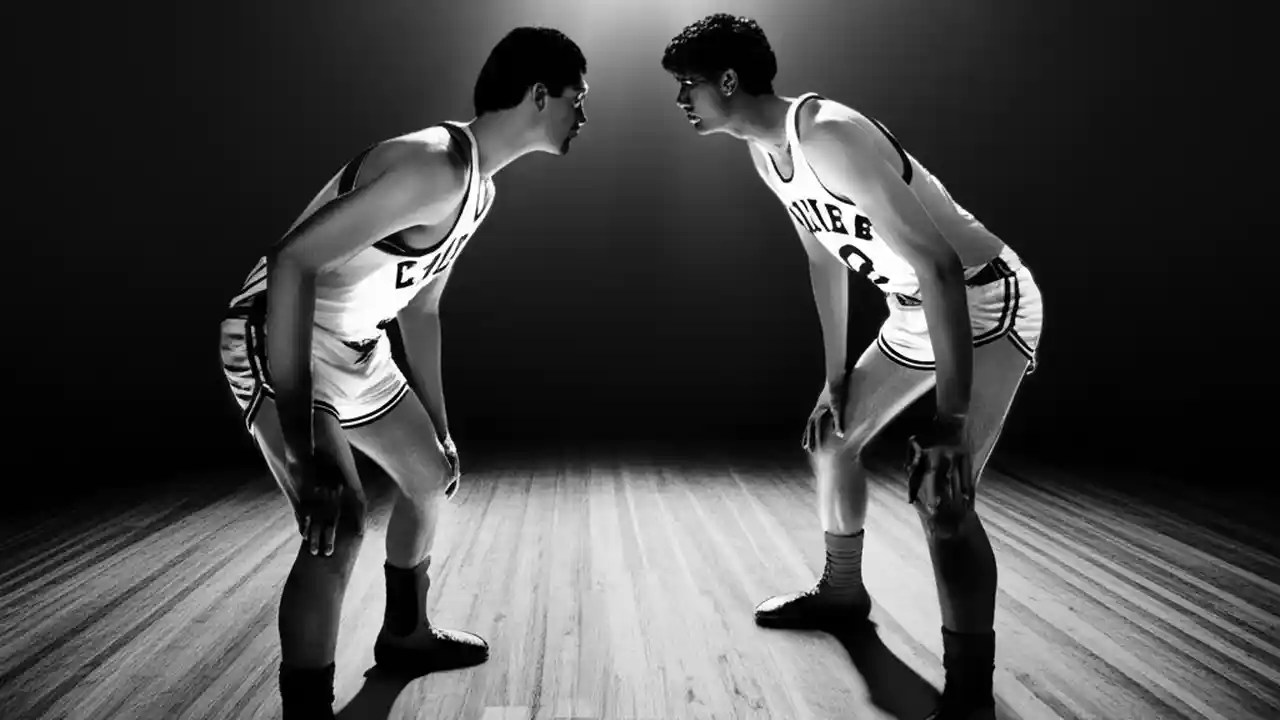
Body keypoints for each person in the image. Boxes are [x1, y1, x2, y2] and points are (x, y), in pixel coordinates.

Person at [661, 14, 1043, 720]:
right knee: (832, 438)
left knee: (943, 496)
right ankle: (842, 591)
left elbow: (939, 266)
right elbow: (821, 256)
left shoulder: (829, 133)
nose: (682, 101)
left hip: (984, 298)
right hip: (911, 309)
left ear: (729, 80)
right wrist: (835, 379)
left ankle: (968, 691)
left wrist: (951, 421)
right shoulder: (762, 150)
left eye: (688, 86)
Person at [218, 26, 588, 719]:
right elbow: (291, 262)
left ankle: (405, 635)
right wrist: (302, 449)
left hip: (357, 346)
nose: (584, 113)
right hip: (279, 334)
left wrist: (440, 429)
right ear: (541, 95)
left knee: (428, 480)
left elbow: (422, 311)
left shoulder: (478, 189)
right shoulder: (434, 166)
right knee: (340, 522)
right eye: (578, 97)